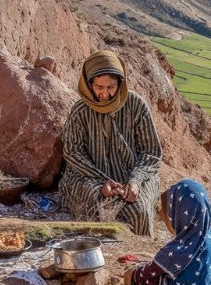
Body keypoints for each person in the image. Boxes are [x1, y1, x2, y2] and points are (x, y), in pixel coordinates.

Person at [58, 50, 163, 235]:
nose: (105, 94)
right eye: (99, 87)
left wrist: (135, 181)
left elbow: (151, 152)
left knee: (138, 213)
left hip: (132, 173)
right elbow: (73, 152)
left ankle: (136, 259)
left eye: (111, 87)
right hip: (89, 175)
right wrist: (101, 182)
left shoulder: (136, 105)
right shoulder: (80, 111)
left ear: (120, 83)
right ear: (89, 84)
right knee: (94, 205)